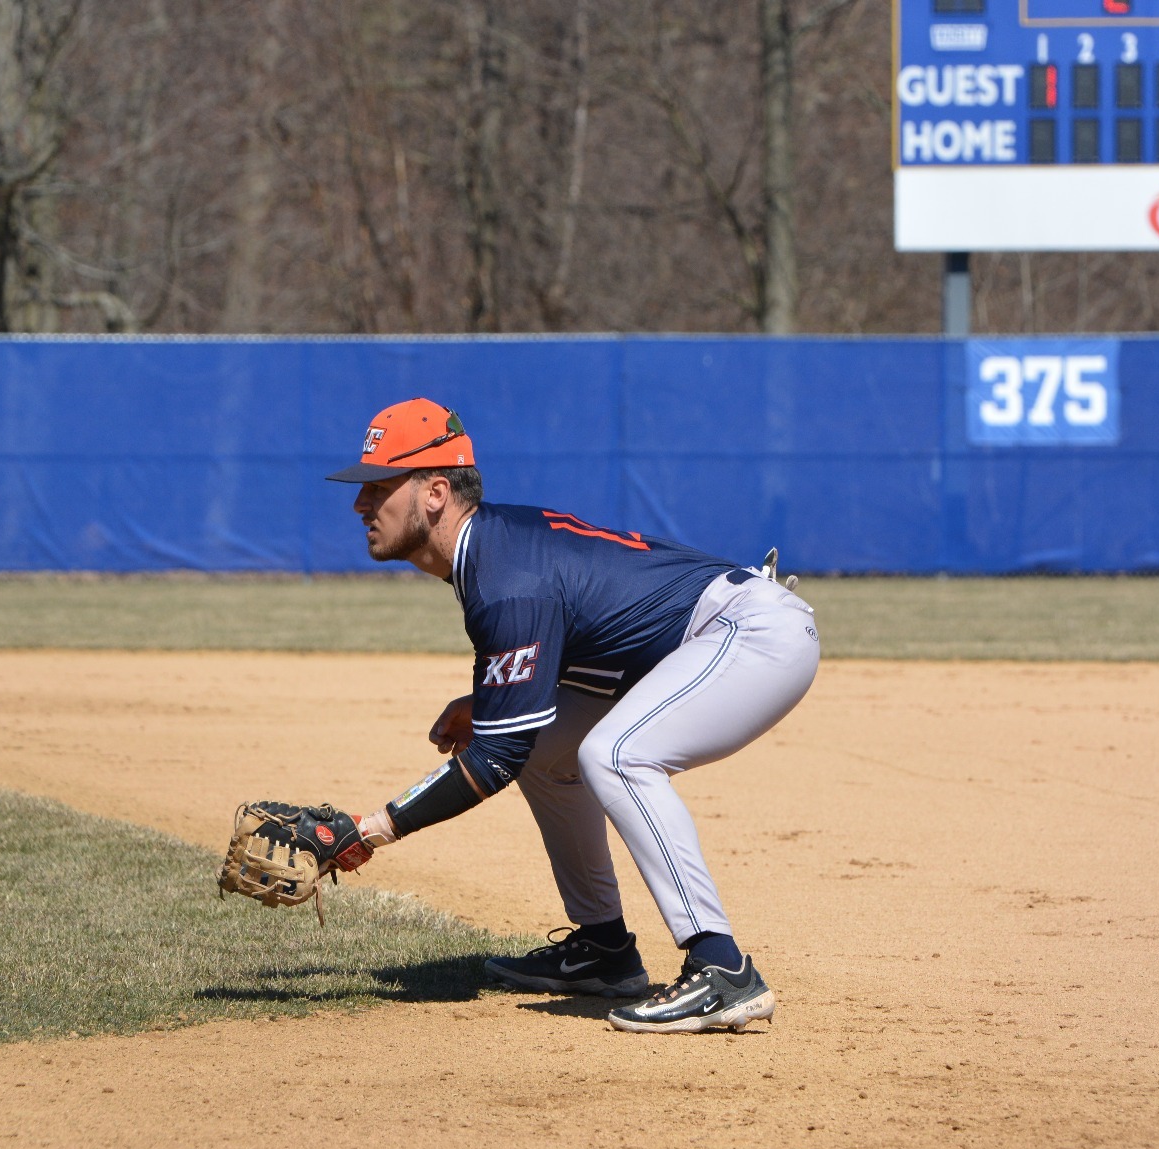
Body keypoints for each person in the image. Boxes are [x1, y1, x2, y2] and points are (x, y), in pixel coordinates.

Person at [326, 398, 819, 1034]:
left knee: (616, 753)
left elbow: (492, 760)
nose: (361, 505)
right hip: (713, 635)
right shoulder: (494, 550)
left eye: (377, 487)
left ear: (435, 493)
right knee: (546, 752)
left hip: (749, 634)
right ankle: (604, 951)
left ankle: (720, 969)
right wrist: (488, 705)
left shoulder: (504, 576)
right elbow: (573, 650)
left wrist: (370, 830)